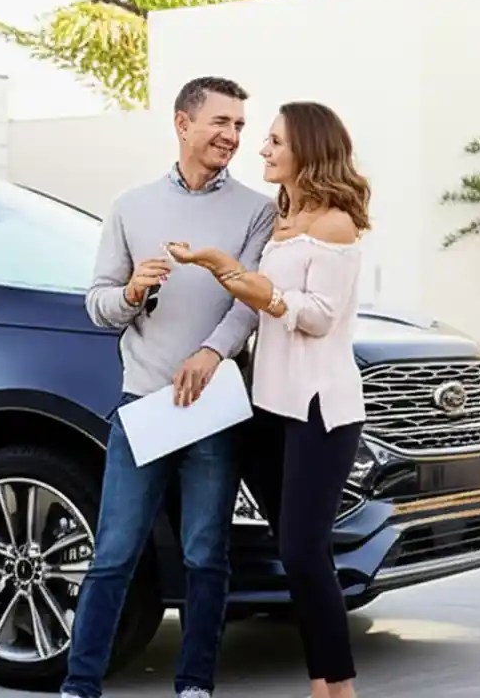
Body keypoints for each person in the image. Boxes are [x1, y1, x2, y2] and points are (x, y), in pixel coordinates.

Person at [61, 76, 277, 698]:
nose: (232, 137)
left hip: (213, 408)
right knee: (113, 553)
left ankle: (194, 684)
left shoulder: (257, 209)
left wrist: (212, 352)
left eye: (239, 125)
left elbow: (251, 300)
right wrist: (131, 293)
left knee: (206, 554)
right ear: (183, 125)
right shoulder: (131, 205)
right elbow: (97, 302)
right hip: (143, 404)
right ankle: (81, 684)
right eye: (221, 123)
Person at [164, 100, 370, 698]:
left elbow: (321, 319)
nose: (263, 149)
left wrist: (262, 291)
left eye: (275, 141)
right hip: (271, 408)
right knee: (296, 555)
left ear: (307, 147)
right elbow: (253, 291)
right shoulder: (283, 214)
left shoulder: (335, 223)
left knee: (305, 554)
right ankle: (321, 681)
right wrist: (217, 266)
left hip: (319, 410)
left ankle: (340, 688)